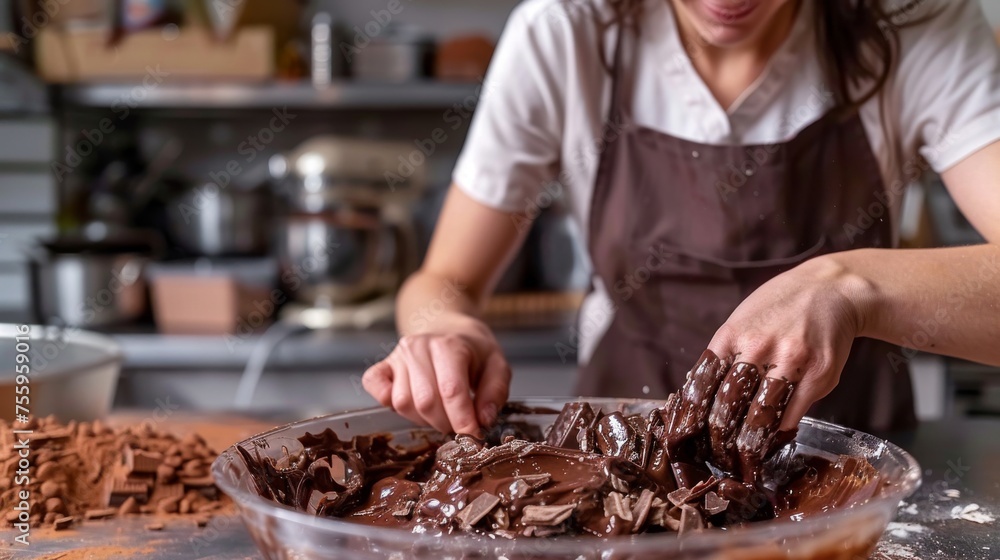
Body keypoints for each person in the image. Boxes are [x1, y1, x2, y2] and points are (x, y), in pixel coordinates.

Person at [363, 0, 1000, 437]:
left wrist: (849, 286)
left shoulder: (914, 26)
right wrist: (444, 327)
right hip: (619, 470)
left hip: (850, 466)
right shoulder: (565, 32)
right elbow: (444, 278)